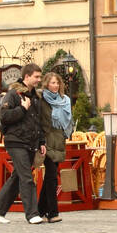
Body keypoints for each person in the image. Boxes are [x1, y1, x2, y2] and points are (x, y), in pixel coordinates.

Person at [0, 64, 46, 224]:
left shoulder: (35, 97)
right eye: (36, 77)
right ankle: (32, 214)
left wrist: (41, 141)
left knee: (17, 177)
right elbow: (4, 117)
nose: (39, 80)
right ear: (27, 77)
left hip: (29, 142)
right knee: (26, 177)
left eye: (40, 77)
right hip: (15, 141)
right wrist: (22, 109)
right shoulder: (13, 94)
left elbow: (38, 122)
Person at [38, 71, 72, 223]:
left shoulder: (65, 100)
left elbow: (68, 121)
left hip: (59, 139)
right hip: (46, 140)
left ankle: (40, 211)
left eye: (57, 83)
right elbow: (39, 120)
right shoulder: (42, 99)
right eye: (52, 83)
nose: (56, 85)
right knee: (51, 176)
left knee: (50, 177)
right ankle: (53, 212)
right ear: (46, 84)